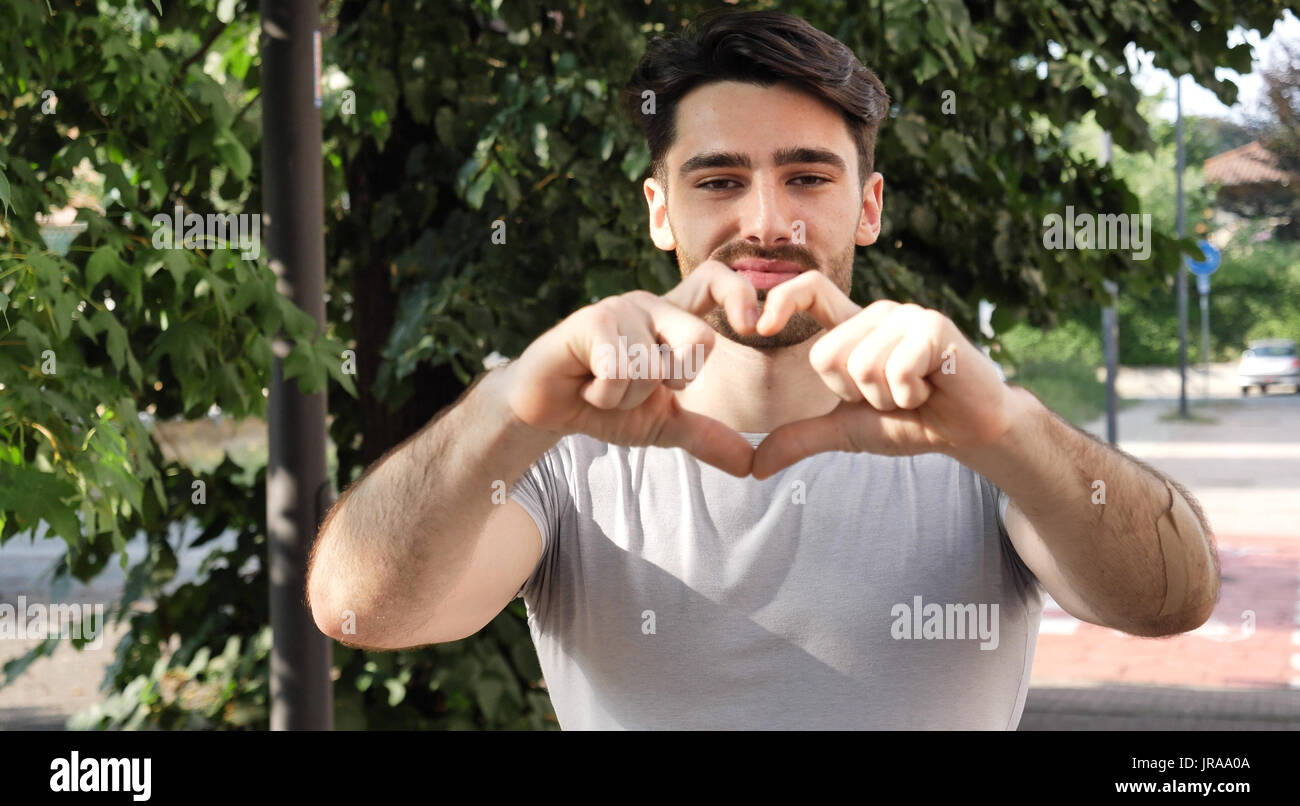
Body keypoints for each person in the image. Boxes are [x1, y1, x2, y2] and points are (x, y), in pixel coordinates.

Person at [307, 9, 1219, 730]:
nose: (768, 220)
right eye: (718, 181)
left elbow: (1171, 602)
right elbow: (358, 612)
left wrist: (1010, 428)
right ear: (661, 213)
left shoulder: (973, 429)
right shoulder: (560, 440)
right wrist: (505, 406)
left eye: (808, 176)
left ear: (867, 207)